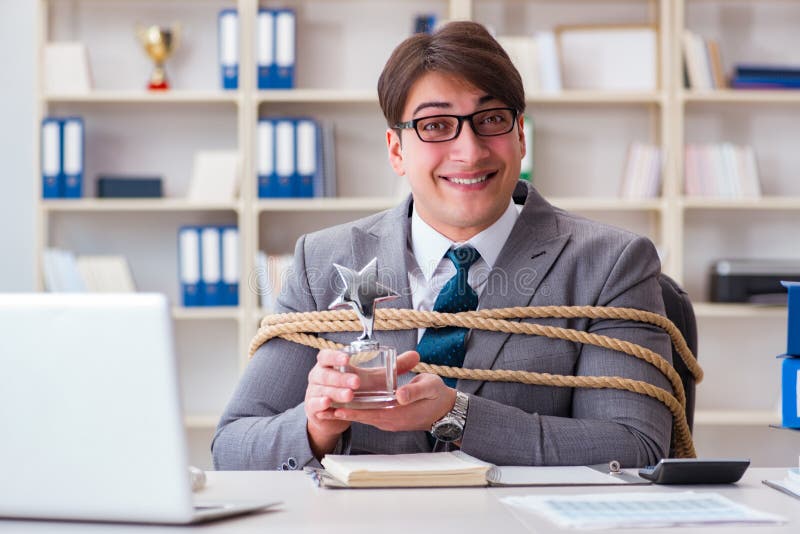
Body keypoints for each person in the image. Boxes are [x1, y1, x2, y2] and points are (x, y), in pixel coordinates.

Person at [212, 21, 673, 470]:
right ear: (396, 149)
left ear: (520, 135)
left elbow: (634, 445)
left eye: (491, 119)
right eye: (435, 126)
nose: (469, 152)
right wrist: (316, 427)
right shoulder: (324, 261)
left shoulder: (610, 264)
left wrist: (455, 414)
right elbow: (231, 446)